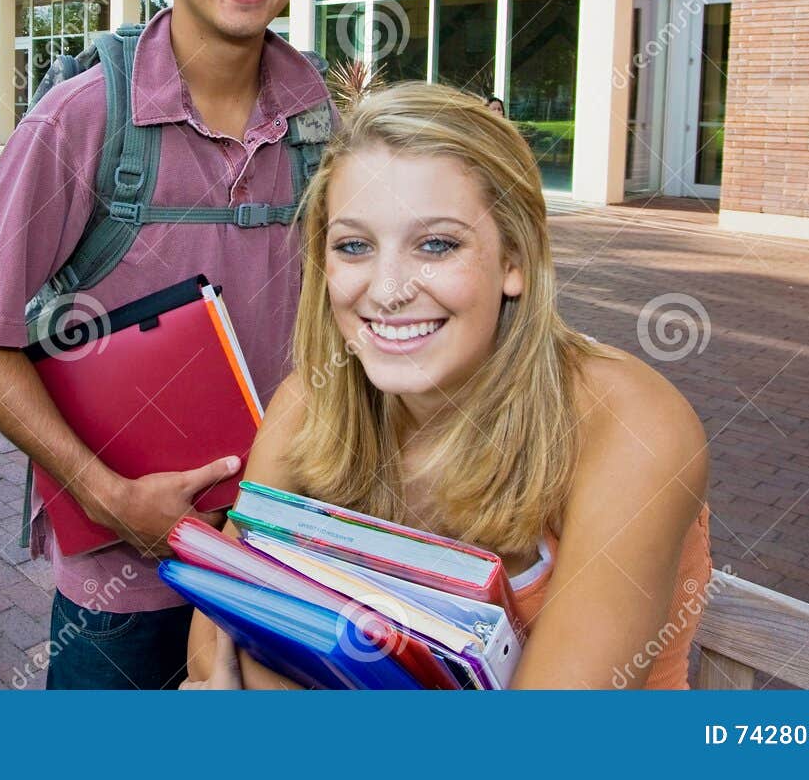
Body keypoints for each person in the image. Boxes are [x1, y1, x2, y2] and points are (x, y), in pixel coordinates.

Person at [0, 0, 331, 689]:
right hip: (128, 574)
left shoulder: (327, 123)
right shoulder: (79, 120)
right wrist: (110, 497)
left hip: (287, 556)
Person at [186, 82, 711, 689]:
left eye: (436, 244)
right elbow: (215, 627)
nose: (387, 290)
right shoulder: (311, 403)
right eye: (354, 246)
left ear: (514, 260)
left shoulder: (629, 423)